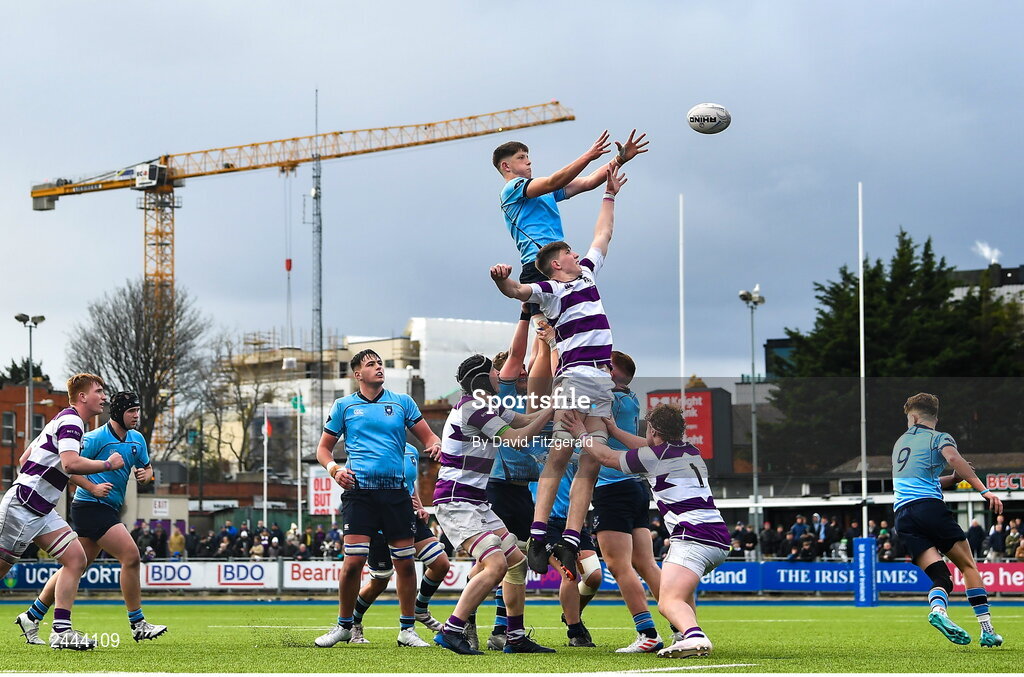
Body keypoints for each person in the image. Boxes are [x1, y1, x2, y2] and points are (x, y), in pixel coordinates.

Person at [490, 166, 629, 580]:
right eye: (567, 252)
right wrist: (503, 280)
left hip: (601, 381)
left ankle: (570, 537)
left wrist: (609, 194)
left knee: (591, 460)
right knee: (561, 453)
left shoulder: (586, 273)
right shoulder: (551, 292)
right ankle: (537, 534)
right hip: (574, 379)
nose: (575, 252)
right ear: (555, 265)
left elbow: (603, 234)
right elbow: (518, 291)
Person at [566, 404, 729, 659]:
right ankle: (688, 636)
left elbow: (607, 457)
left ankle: (695, 637)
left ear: (652, 429)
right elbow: (646, 447)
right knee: (678, 595)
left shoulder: (655, 457)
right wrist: (616, 430)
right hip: (718, 539)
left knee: (668, 602)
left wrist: (581, 433)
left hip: (692, 539)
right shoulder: (691, 451)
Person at [314, 349, 442, 649]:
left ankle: (407, 630)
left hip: (396, 494)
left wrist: (435, 445)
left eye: (380, 364)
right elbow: (323, 449)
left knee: (405, 563)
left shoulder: (402, 403)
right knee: (353, 562)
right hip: (360, 493)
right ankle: (344, 626)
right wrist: (334, 469)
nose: (378, 368)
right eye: (371, 365)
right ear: (357, 374)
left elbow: (429, 437)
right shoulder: (344, 406)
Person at [18, 391, 167, 644]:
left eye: (138, 410)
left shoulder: (137, 439)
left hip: (109, 508)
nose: (137, 415)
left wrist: (147, 475)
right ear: (119, 412)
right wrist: (92, 487)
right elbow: (67, 468)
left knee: (76, 565)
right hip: (90, 506)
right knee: (131, 556)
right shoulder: (95, 438)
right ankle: (137, 623)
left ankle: (32, 615)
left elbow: (147, 465)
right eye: (132, 411)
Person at [431, 355, 555, 655]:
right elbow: (516, 439)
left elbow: (524, 420)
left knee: (517, 561)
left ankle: (514, 637)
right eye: (494, 371)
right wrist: (552, 408)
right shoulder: (474, 409)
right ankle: (452, 629)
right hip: (456, 501)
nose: (500, 375)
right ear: (482, 380)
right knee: (496, 564)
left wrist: (554, 410)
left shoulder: (487, 405)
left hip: (475, 501)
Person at [5, 374, 116, 650]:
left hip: (40, 510)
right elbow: (69, 463)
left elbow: (24, 458)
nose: (104, 397)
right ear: (82, 397)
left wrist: (86, 484)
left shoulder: (61, 419)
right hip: (23, 508)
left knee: (76, 559)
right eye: (99, 391)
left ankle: (61, 630)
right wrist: (106, 465)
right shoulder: (72, 422)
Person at [493, 130, 647, 322]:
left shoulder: (542, 191)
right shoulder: (512, 189)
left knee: (561, 328)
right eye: (521, 157)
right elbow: (553, 181)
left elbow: (588, 182)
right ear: (506, 166)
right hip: (537, 263)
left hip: (559, 264)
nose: (529, 161)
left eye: (527, 156)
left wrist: (618, 160)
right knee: (546, 335)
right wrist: (588, 156)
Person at [892, 393, 1003, 647]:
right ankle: (987, 631)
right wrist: (984, 490)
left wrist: (953, 479)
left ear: (914, 417)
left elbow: (922, 482)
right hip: (929, 509)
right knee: (968, 567)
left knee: (941, 576)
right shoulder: (939, 437)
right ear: (936, 418)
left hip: (903, 516)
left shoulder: (900, 443)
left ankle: (938, 612)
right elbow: (954, 458)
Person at [591, 350, 674, 653]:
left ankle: (647, 633)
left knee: (619, 566)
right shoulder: (631, 398)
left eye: (600, 365)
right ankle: (682, 626)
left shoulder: (605, 399)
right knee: (646, 564)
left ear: (610, 371)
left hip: (613, 488)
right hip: (636, 488)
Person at [342, 443, 451, 644]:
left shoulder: (411, 450)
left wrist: (418, 505)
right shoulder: (368, 446)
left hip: (407, 517)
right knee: (380, 580)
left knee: (441, 563)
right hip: (379, 520)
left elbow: (411, 482)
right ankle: (354, 624)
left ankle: (419, 611)